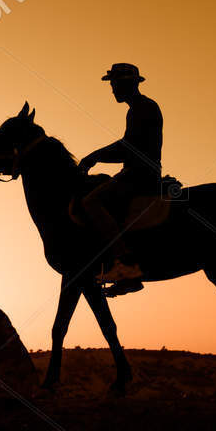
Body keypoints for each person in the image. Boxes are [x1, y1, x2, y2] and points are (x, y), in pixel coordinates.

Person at [78, 62, 163, 294]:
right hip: (138, 172)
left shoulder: (142, 108)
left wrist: (94, 156)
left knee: (90, 202)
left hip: (139, 175)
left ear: (126, 84)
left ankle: (126, 266)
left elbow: (130, 147)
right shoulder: (139, 107)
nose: (113, 89)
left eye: (115, 84)